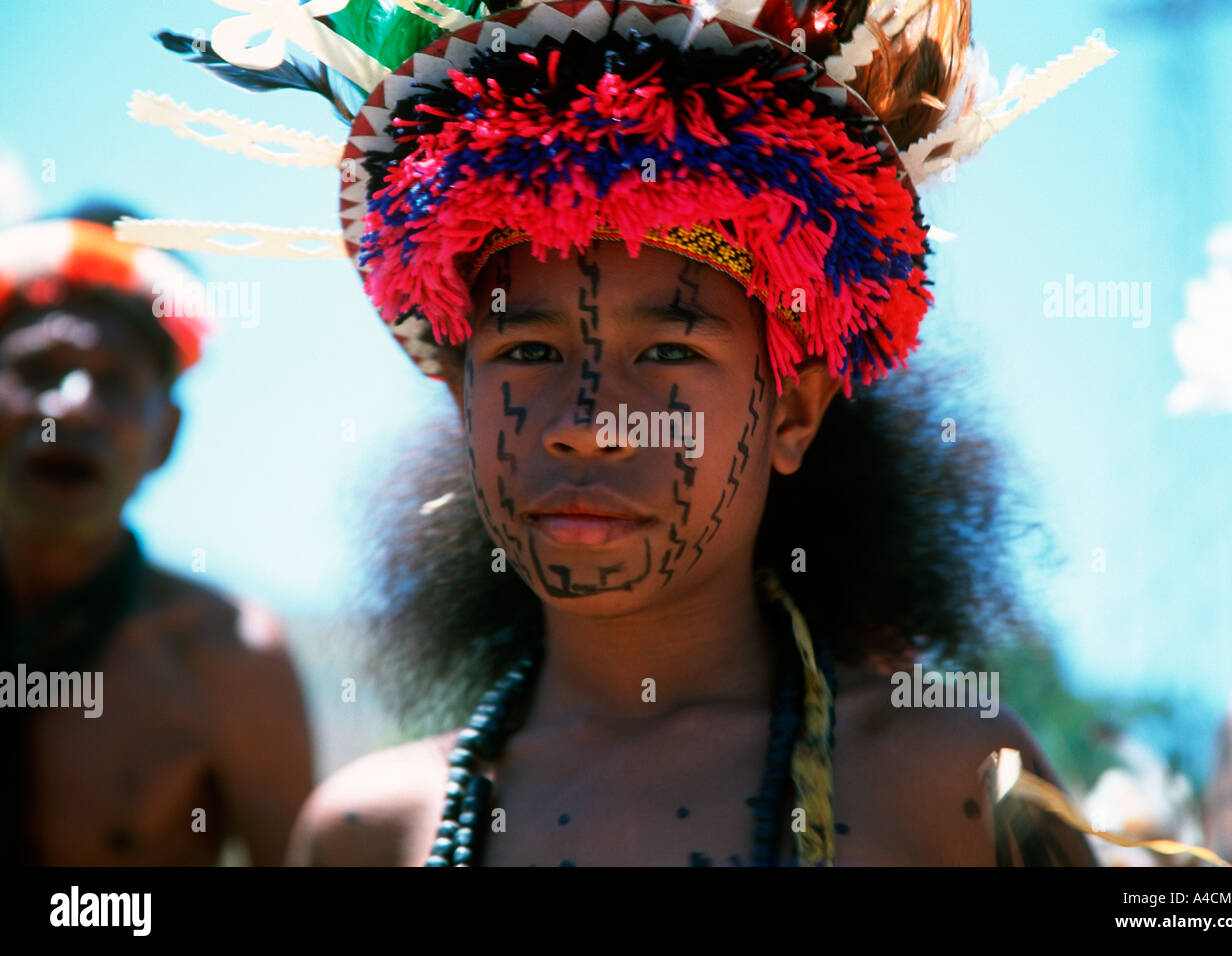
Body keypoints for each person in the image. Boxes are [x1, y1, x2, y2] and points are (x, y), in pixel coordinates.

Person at [133, 0, 1112, 864]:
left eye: (670, 351)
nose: (587, 426)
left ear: (794, 410)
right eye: (526, 352)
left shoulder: (948, 780)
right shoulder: (371, 830)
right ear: (458, 396)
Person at [0, 204, 314, 864]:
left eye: (114, 381)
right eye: (38, 369)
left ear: (166, 435)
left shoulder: (229, 660)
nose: (72, 405)